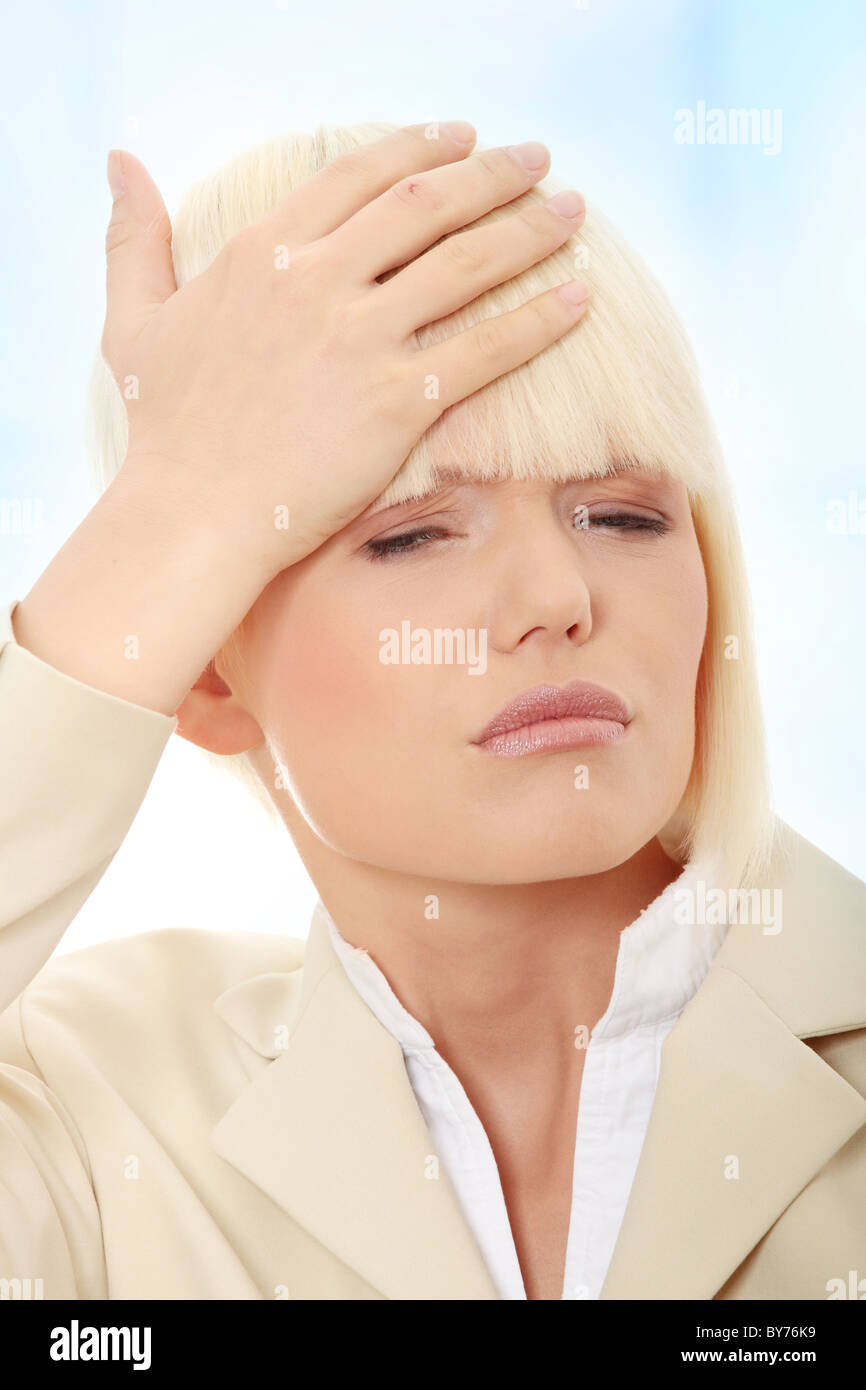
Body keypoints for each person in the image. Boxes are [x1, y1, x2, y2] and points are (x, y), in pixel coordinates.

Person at [1, 119, 864, 1302]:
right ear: (201, 667)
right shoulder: (84, 1103)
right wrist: (177, 512)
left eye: (622, 515)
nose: (555, 600)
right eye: (408, 534)